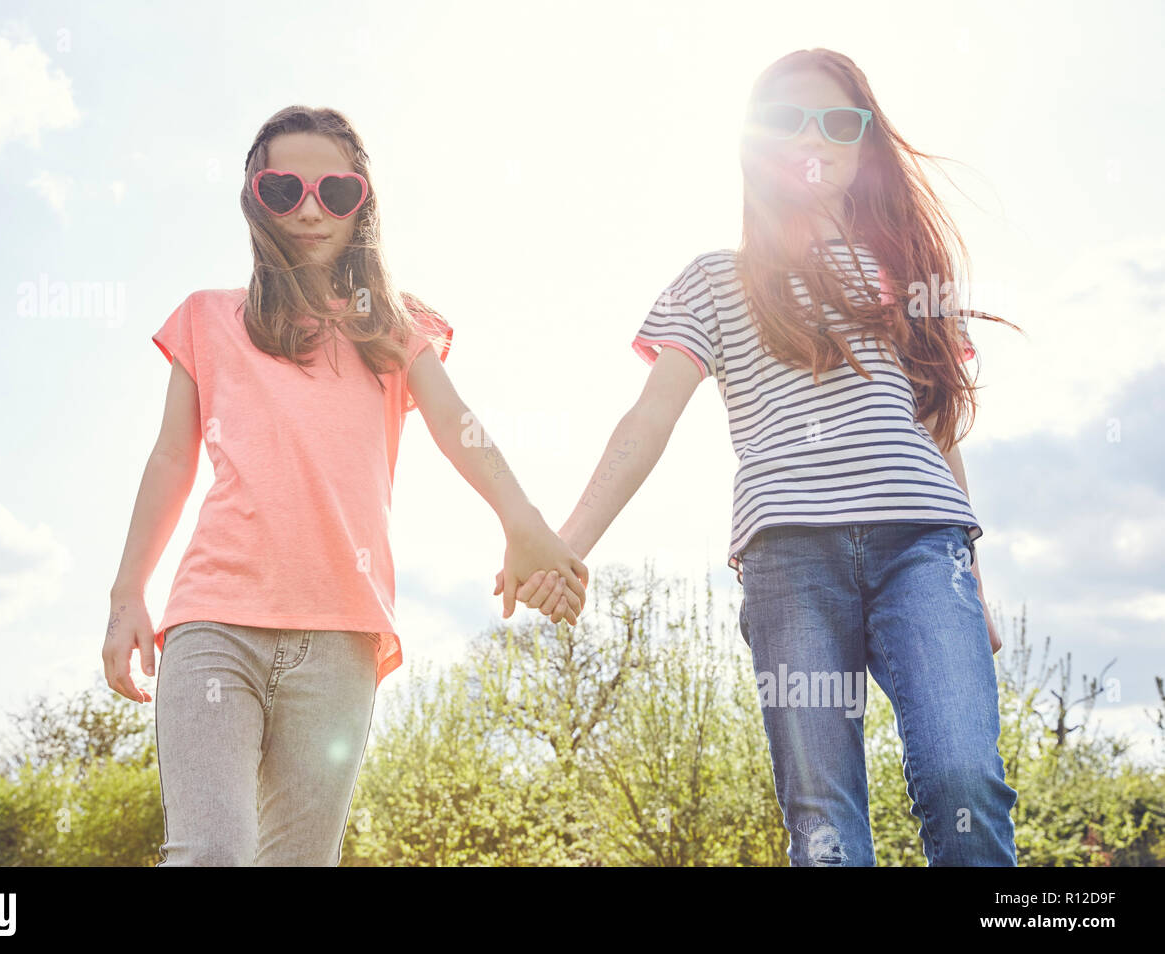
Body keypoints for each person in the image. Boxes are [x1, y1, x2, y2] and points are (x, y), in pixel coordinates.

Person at [501, 49, 1024, 866]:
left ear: (863, 146)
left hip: (925, 547)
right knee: (823, 822)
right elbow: (649, 418)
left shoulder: (911, 274)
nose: (812, 138)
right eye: (787, 120)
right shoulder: (716, 280)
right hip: (791, 557)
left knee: (964, 776)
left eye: (837, 123)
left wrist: (975, 590)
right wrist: (565, 545)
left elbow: (939, 431)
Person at [103, 106, 588, 866]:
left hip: (341, 638)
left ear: (362, 202)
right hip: (214, 624)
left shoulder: (393, 324)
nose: (309, 210)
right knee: (212, 855)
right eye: (284, 189)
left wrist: (522, 522)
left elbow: (457, 424)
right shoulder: (208, 319)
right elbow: (171, 459)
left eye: (334, 191)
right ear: (255, 199)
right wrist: (127, 592)